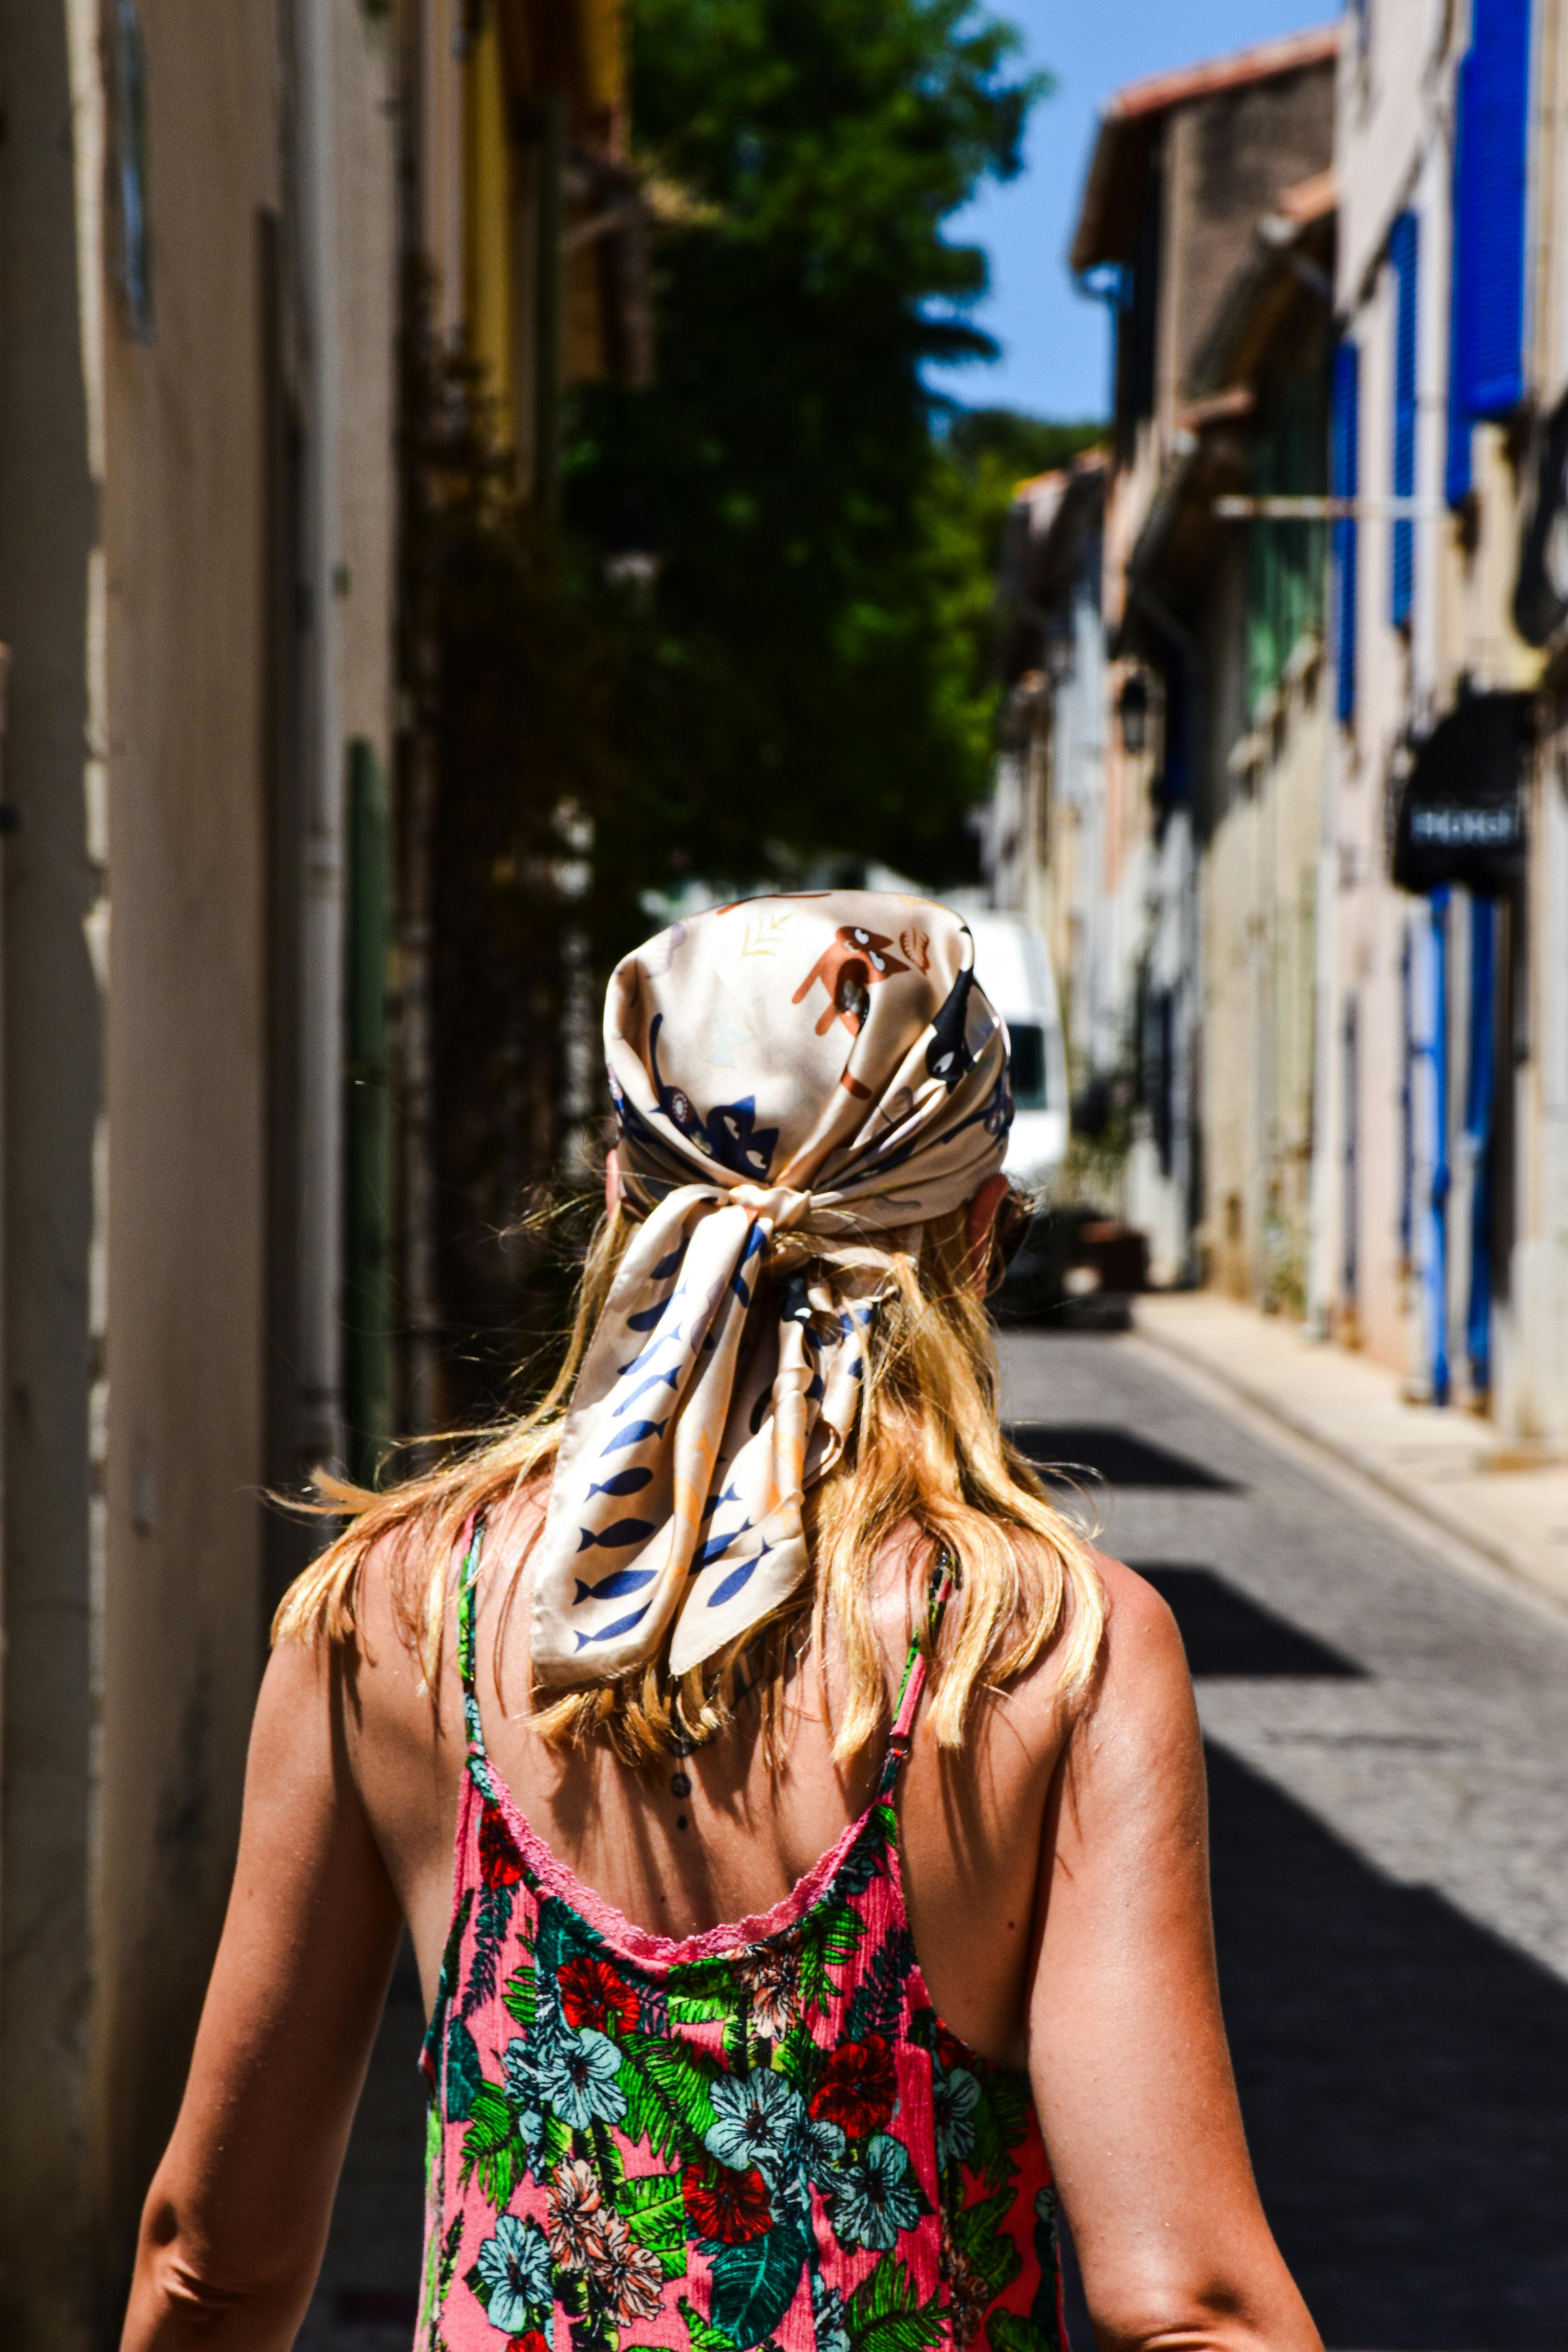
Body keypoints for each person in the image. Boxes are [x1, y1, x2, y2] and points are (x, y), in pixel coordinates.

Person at [121, 892, 1320, 2352]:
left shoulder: (395, 1611)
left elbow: (211, 2262)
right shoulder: (1041, 1646)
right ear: (983, 1225)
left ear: (624, 1198)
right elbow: (1187, 2302)